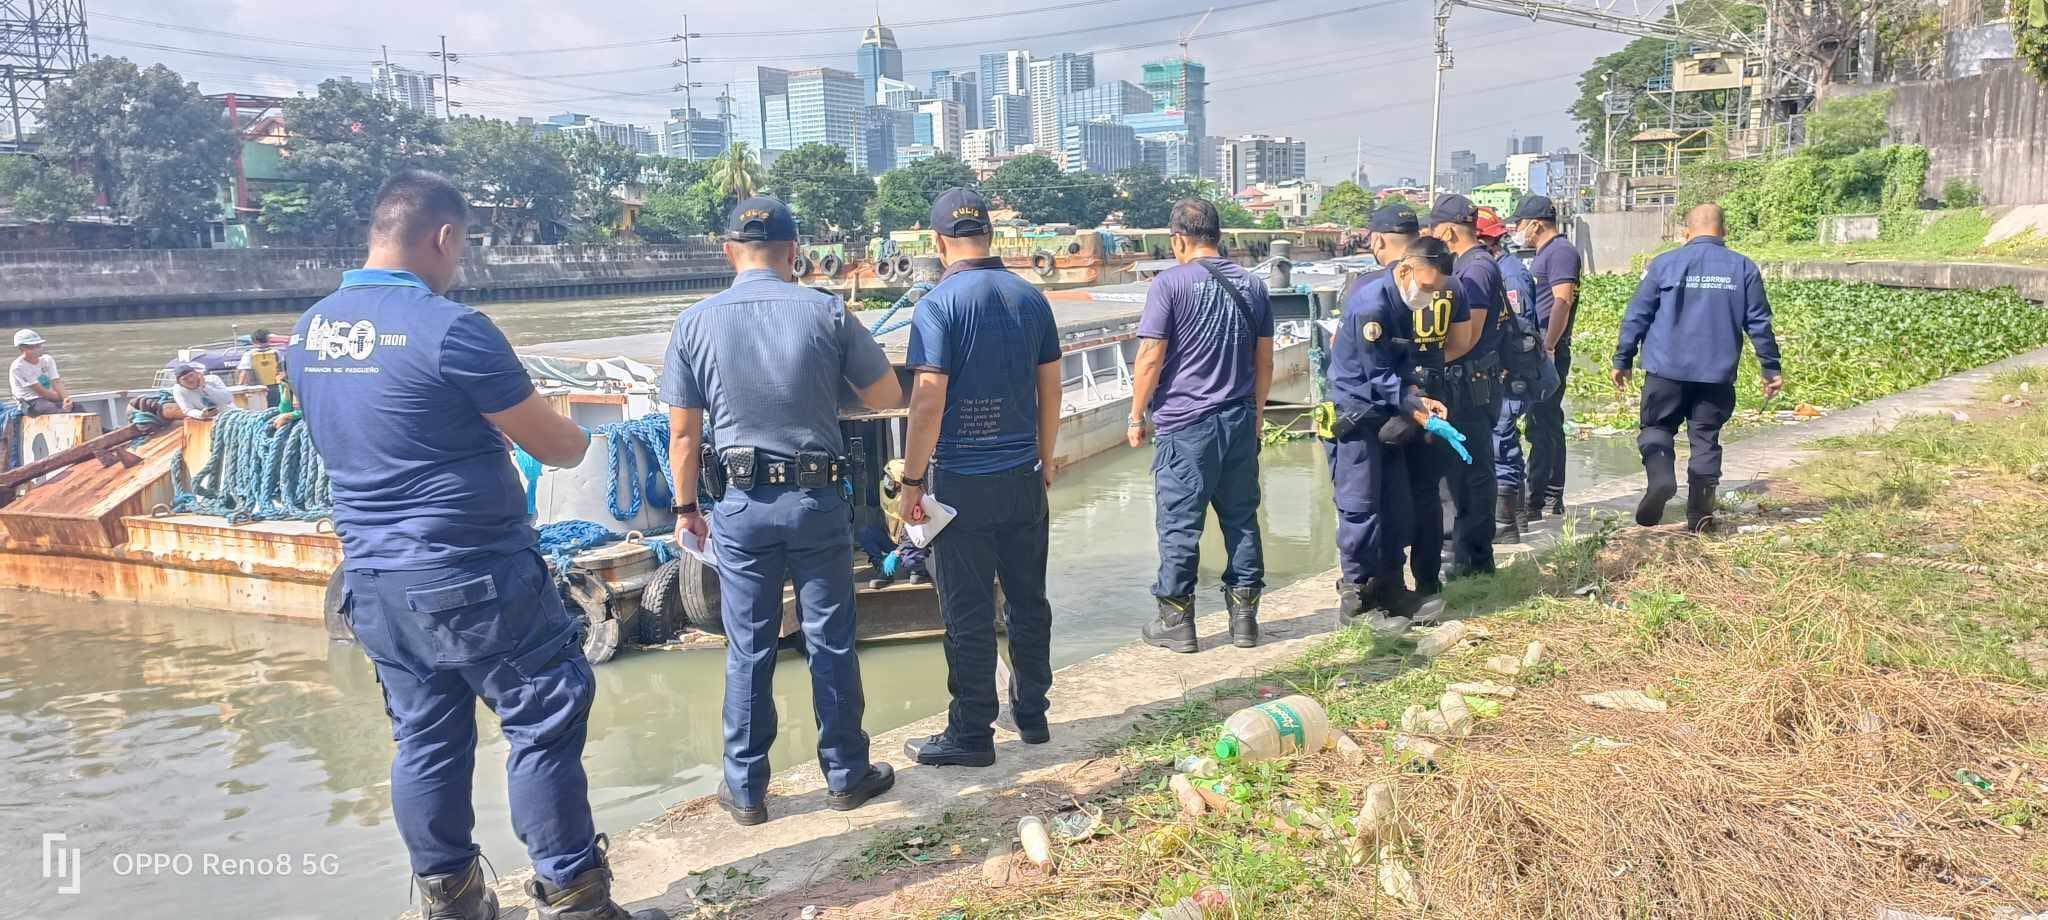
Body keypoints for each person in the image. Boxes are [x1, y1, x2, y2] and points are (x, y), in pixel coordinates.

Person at [291, 170, 662, 920]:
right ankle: (575, 898)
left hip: (373, 580)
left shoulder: (309, 331)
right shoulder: (451, 328)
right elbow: (559, 447)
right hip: (471, 574)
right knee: (543, 716)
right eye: (461, 248)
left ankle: (453, 901)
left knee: (425, 739)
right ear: (444, 236)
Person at [662, 196, 902, 827]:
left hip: (739, 506)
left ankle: (746, 790)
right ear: (795, 253)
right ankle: (846, 775)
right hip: (816, 502)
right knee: (830, 638)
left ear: (728, 252)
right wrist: (821, 393)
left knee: (748, 647)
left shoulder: (693, 323)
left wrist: (686, 509)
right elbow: (885, 392)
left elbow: (684, 435)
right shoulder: (827, 311)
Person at [895, 188, 1063, 766]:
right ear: (990, 235)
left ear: (938, 242)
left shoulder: (937, 306)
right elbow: (1050, 389)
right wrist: (1044, 459)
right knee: (1028, 602)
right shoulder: (1032, 299)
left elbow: (928, 400)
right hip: (1023, 475)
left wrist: (911, 483)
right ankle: (1033, 715)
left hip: (961, 484)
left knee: (966, 614)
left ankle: (971, 734)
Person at [1127, 198, 1276, 654]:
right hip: (1240, 419)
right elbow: (1264, 360)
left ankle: (1176, 620)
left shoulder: (1168, 285)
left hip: (1185, 425)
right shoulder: (1253, 285)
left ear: (1178, 240)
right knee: (1241, 518)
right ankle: (1245, 620)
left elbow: (1151, 356)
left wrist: (1135, 415)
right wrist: (1257, 415)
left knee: (1180, 524)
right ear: (1218, 236)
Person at [1612, 203, 1784, 533]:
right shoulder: (1743, 267)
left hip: (1665, 371)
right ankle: (1700, 518)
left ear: (1686, 233)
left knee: (1657, 428)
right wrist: (1770, 367)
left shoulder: (1663, 264)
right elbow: (1759, 323)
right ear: (1725, 231)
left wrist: (1623, 359)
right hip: (1715, 375)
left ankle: (1661, 481)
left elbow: (1637, 315)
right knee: (1705, 439)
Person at [1324, 234, 1454, 634]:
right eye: (1427, 287)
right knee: (1361, 508)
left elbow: (1400, 365)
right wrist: (1416, 409)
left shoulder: (1400, 304)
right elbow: (1377, 374)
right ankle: (1358, 600)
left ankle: (1392, 590)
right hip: (1357, 419)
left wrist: (1417, 394)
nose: (1428, 297)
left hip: (1386, 418)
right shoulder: (1372, 306)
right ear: (1406, 269)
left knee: (1395, 506)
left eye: (1436, 291)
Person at [1365, 205, 1464, 598]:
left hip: (1387, 407)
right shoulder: (1451, 283)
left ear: (1377, 240)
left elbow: (1349, 352)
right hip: (1433, 394)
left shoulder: (1369, 286)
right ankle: (1428, 583)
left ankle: (1386, 584)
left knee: (1383, 495)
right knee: (1428, 493)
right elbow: (1462, 341)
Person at [1423, 194, 1504, 580]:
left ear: (1448, 231)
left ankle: (1474, 559)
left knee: (1472, 473)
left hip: (1472, 384)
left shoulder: (1475, 270)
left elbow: (1467, 337)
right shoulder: (1468, 265)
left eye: (1433, 230)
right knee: (1455, 472)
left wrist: (1426, 363)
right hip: (1464, 382)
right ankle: (1462, 554)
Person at [1511, 195, 1582, 523]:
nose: (1516, 229)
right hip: (1539, 348)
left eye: (1520, 223)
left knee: (1543, 423)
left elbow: (1562, 301)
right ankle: (1547, 497)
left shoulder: (1560, 252)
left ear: (1536, 224)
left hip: (1548, 349)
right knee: (1544, 421)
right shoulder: (1545, 253)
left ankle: (1542, 498)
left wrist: (1549, 345)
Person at [1482, 208, 1542, 542]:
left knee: (1500, 442)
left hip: (1510, 373)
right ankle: (1516, 519)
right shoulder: (1499, 270)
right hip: (1503, 372)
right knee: (1505, 442)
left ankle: (1505, 526)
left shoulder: (1509, 275)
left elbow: (1517, 331)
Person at [10, 329, 72, 415]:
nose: (36, 350)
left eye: (38, 346)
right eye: (31, 347)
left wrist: (66, 398)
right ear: (21, 348)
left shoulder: (47, 360)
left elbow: (56, 381)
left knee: (76, 407)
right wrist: (60, 399)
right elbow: (41, 391)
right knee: (54, 409)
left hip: (49, 398)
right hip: (30, 401)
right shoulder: (18, 367)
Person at [237, 326, 286, 407]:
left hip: (256, 390)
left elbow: (244, 372)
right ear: (268, 340)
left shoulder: (248, 354)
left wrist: (239, 386)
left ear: (253, 341)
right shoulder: (276, 352)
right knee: (275, 408)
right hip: (274, 388)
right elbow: (282, 369)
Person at [168, 362, 235, 419]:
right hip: (206, 419)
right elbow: (187, 410)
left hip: (229, 413)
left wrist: (204, 386)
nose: (190, 380)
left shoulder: (213, 379)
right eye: (185, 379)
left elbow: (228, 399)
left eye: (191, 375)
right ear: (179, 382)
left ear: (197, 374)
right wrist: (201, 414)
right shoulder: (178, 390)